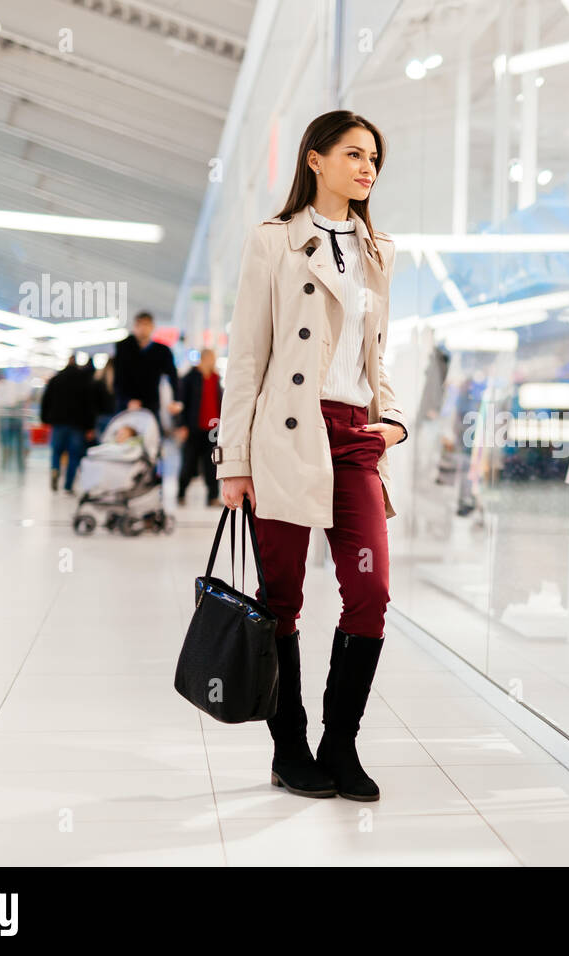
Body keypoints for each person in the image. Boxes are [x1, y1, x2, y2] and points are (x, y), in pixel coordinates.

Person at [214, 110, 408, 803]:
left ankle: (341, 743)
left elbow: (376, 348)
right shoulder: (274, 242)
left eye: (375, 158)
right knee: (282, 598)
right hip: (287, 436)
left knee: (371, 592)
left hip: (356, 436)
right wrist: (232, 460)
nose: (367, 168)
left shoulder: (378, 249)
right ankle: (290, 744)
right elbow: (247, 359)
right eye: (354, 154)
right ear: (316, 159)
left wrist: (392, 421)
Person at [110, 312, 183, 433]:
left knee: (152, 438)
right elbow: (118, 378)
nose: (143, 328)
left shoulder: (162, 351)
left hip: (151, 404)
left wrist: (176, 400)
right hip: (126, 406)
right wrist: (127, 400)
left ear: (152, 327)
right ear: (134, 327)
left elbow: (173, 376)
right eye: (139, 325)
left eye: (146, 325)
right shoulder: (123, 347)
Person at [40, 356, 98, 492]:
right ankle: (68, 485)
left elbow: (46, 400)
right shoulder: (84, 380)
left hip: (58, 422)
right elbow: (90, 405)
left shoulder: (56, 379)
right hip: (77, 424)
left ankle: (55, 470)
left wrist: (44, 419)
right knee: (74, 454)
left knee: (56, 451)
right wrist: (90, 426)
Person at [175, 349, 224, 507]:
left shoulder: (216, 378)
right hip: (193, 427)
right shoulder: (190, 378)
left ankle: (212, 497)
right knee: (189, 463)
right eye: (210, 358)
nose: (212, 361)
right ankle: (181, 493)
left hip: (212, 429)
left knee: (212, 465)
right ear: (203, 359)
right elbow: (183, 403)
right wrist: (182, 425)